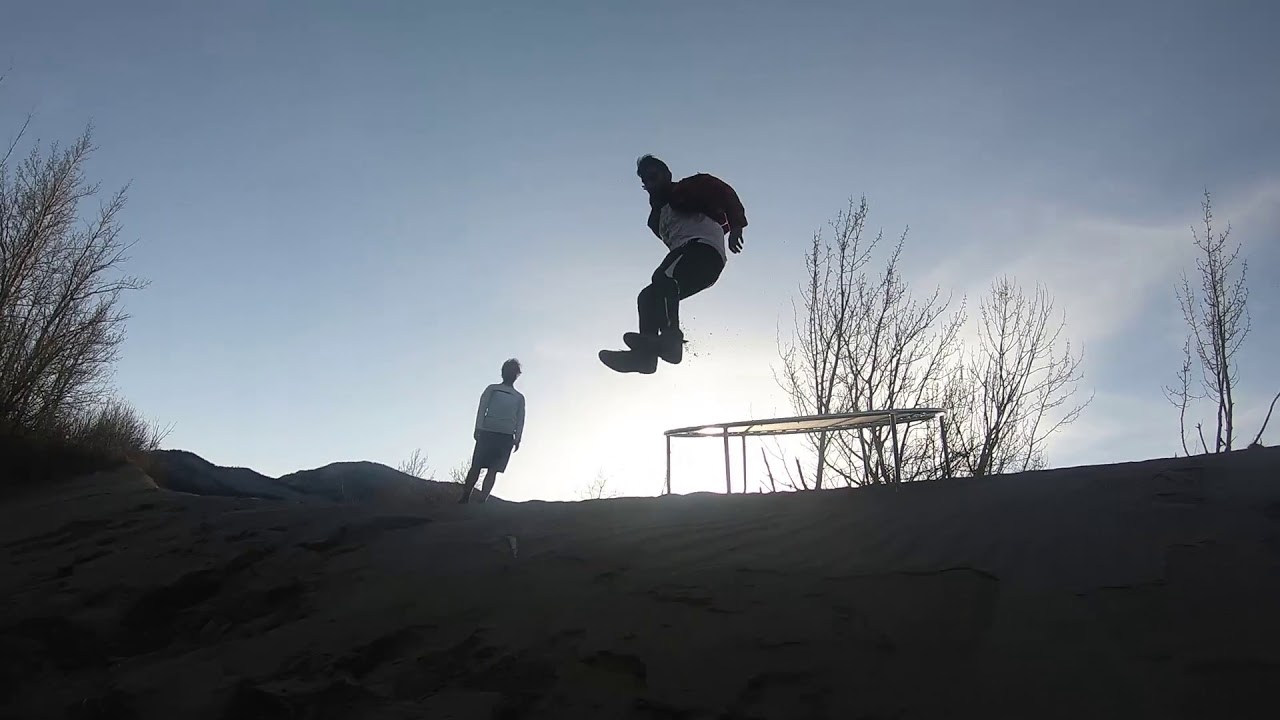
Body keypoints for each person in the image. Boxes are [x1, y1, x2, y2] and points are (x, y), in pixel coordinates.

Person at [599, 154, 748, 374]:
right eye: (646, 182)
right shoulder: (654, 220)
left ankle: (671, 340)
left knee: (663, 276)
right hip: (691, 262)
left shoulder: (689, 188)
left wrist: (736, 226)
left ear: (667, 175)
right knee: (649, 297)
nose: (651, 184)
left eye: (654, 177)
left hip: (704, 248)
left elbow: (724, 191)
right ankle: (645, 359)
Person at [459, 358, 526, 504]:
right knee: (476, 466)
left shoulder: (519, 397)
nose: (511, 374)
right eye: (509, 370)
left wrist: (518, 438)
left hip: (506, 437)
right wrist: (478, 427)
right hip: (488, 432)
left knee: (493, 470)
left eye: (514, 371)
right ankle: (465, 497)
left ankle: (482, 500)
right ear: (503, 372)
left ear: (517, 375)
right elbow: (482, 408)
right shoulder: (492, 389)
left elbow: (520, 419)